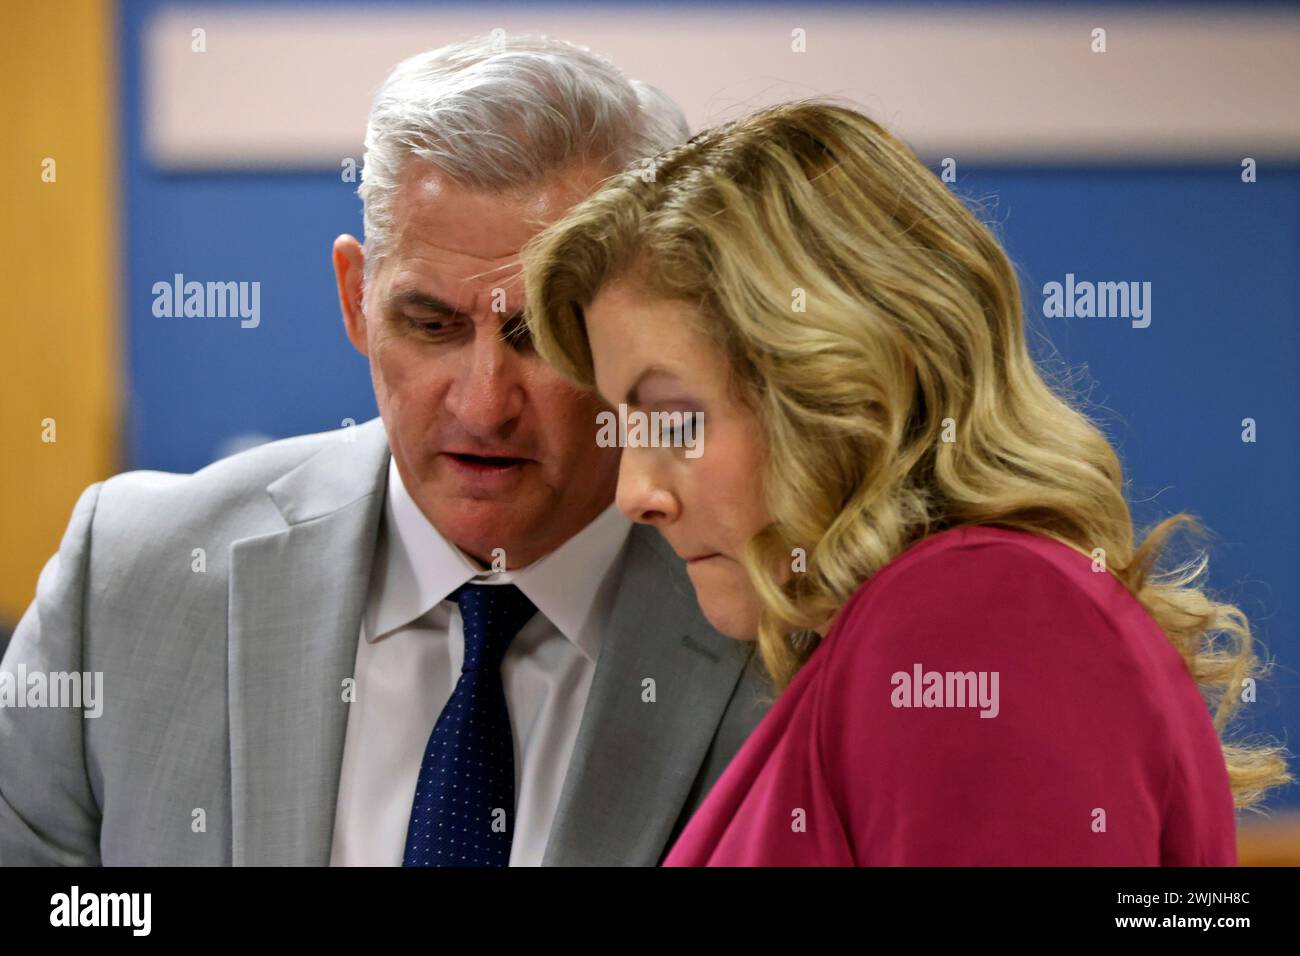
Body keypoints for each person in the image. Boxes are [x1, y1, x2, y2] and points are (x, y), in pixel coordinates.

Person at [0, 34, 772, 867]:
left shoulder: (783, 629)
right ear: (355, 299)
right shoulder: (127, 582)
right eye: (431, 324)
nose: (483, 405)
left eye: (543, 333)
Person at [521, 100, 1291, 864]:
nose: (635, 494)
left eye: (674, 420)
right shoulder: (937, 617)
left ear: (841, 389)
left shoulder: (974, 616)